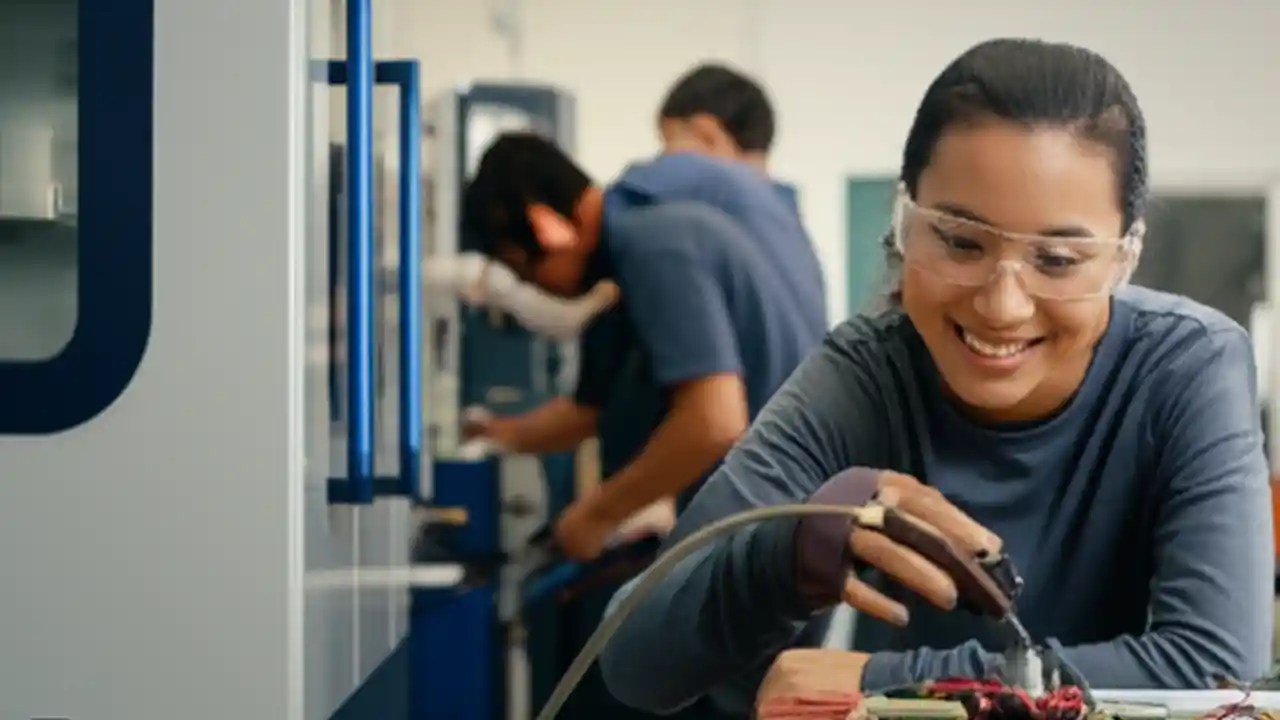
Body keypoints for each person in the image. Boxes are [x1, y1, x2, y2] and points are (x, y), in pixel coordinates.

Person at [597, 38, 1274, 718]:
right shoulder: (867, 375)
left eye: (1060, 260)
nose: (1002, 306)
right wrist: (783, 555)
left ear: (1125, 258)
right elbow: (632, 660)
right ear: (905, 222)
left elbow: (1212, 671)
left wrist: (884, 680)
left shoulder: (1188, 365)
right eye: (959, 241)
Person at [463, 128, 827, 718]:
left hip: (761, 551)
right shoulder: (641, 255)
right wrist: (497, 435)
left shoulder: (655, 245)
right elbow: (588, 411)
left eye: (523, 268)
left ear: (543, 224)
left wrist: (597, 513)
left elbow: (713, 420)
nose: (534, 287)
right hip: (759, 539)